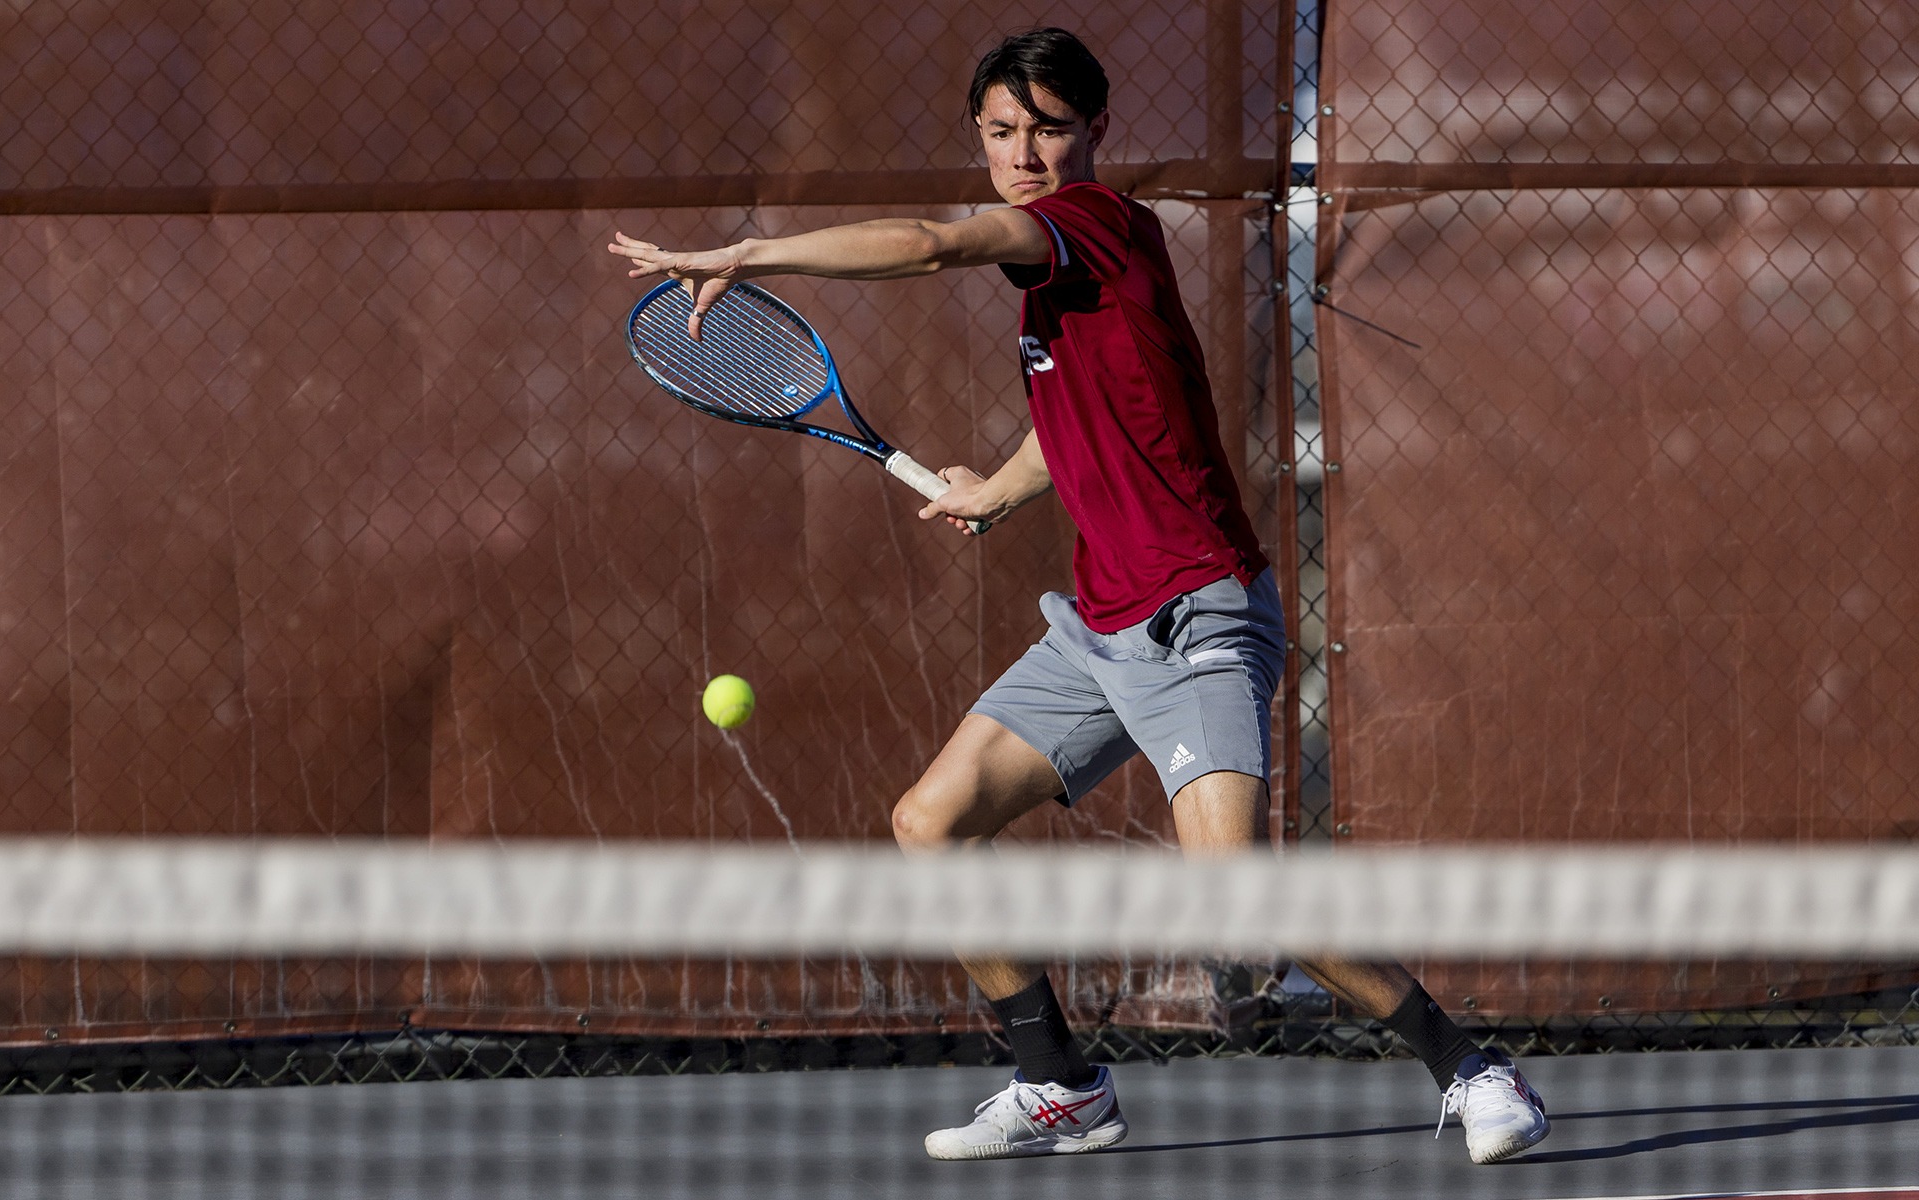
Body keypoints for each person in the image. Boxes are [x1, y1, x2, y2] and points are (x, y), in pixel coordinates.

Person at [608, 26, 1549, 1168]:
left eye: (1049, 127)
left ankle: (1472, 1067)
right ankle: (1061, 1086)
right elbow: (1085, 421)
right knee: (931, 825)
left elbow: (927, 243)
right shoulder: (1059, 295)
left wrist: (748, 255)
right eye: (1002, 132)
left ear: (1094, 131)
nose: (1025, 152)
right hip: (1101, 624)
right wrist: (997, 492)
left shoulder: (1093, 226)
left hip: (1196, 607)